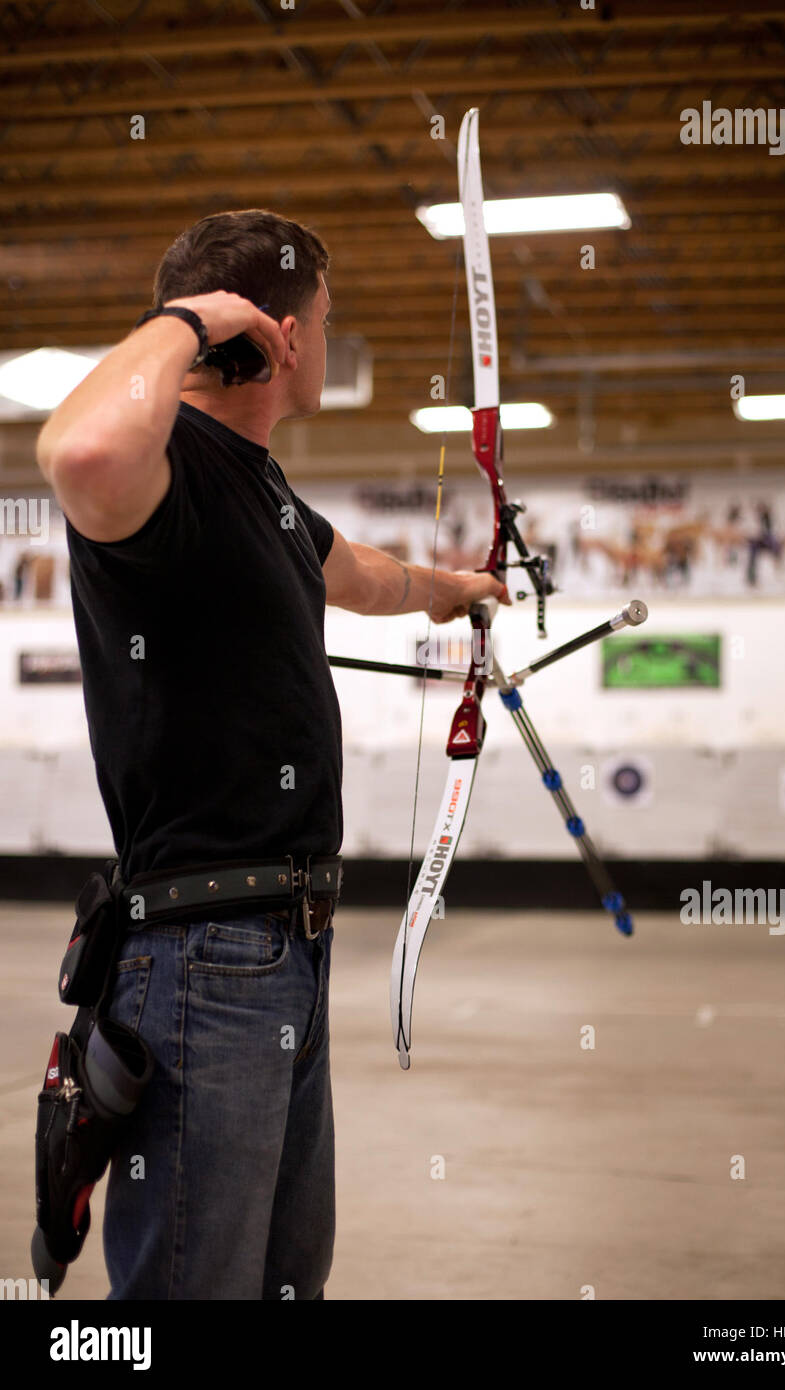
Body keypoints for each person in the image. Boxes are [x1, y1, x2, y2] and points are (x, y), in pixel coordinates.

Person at [35, 207, 507, 1300]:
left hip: (280, 950)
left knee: (286, 1278)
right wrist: (190, 319)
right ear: (283, 336)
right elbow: (81, 447)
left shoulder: (264, 493)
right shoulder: (162, 472)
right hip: (203, 958)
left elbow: (366, 578)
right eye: (324, 320)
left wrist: (462, 590)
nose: (332, 340)